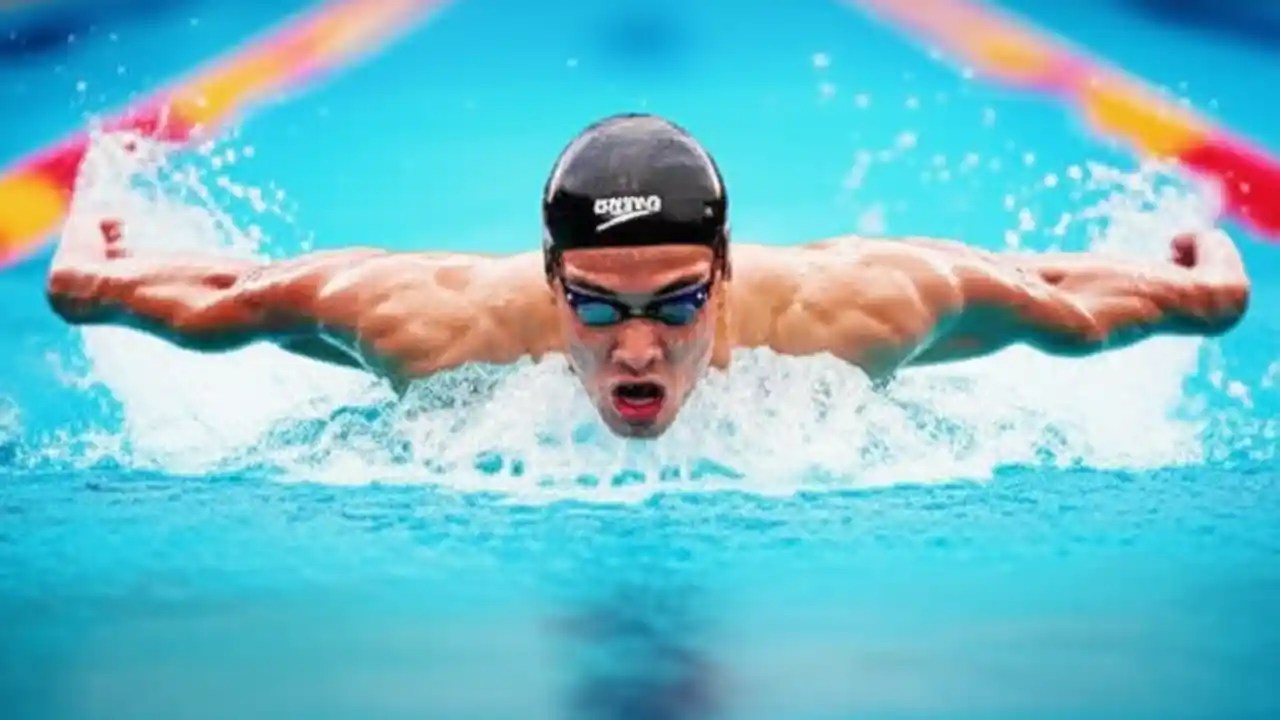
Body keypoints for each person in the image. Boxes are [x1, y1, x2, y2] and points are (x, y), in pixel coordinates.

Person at [46, 113, 1251, 438]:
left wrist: (1199, 290)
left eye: (676, 303)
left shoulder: (849, 312)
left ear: (724, 278)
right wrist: (96, 277)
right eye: (599, 307)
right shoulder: (433, 323)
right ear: (547, 280)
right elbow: (235, 300)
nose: (635, 349)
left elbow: (1053, 304)